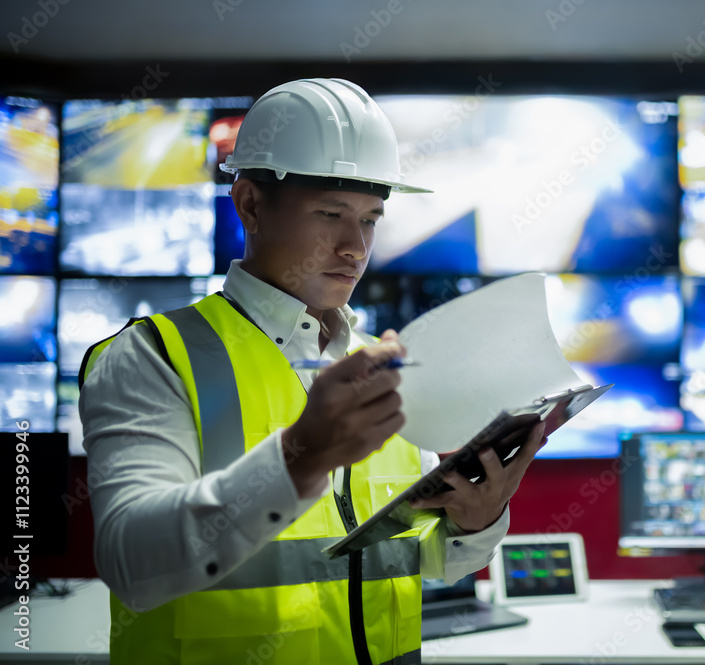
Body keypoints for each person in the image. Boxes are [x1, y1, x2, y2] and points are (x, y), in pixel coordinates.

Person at [79, 78, 547, 665]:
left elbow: (424, 564)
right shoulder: (153, 357)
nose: (355, 247)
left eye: (371, 219)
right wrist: (301, 455)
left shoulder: (386, 364)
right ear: (249, 204)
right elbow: (132, 566)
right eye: (331, 213)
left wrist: (477, 523)